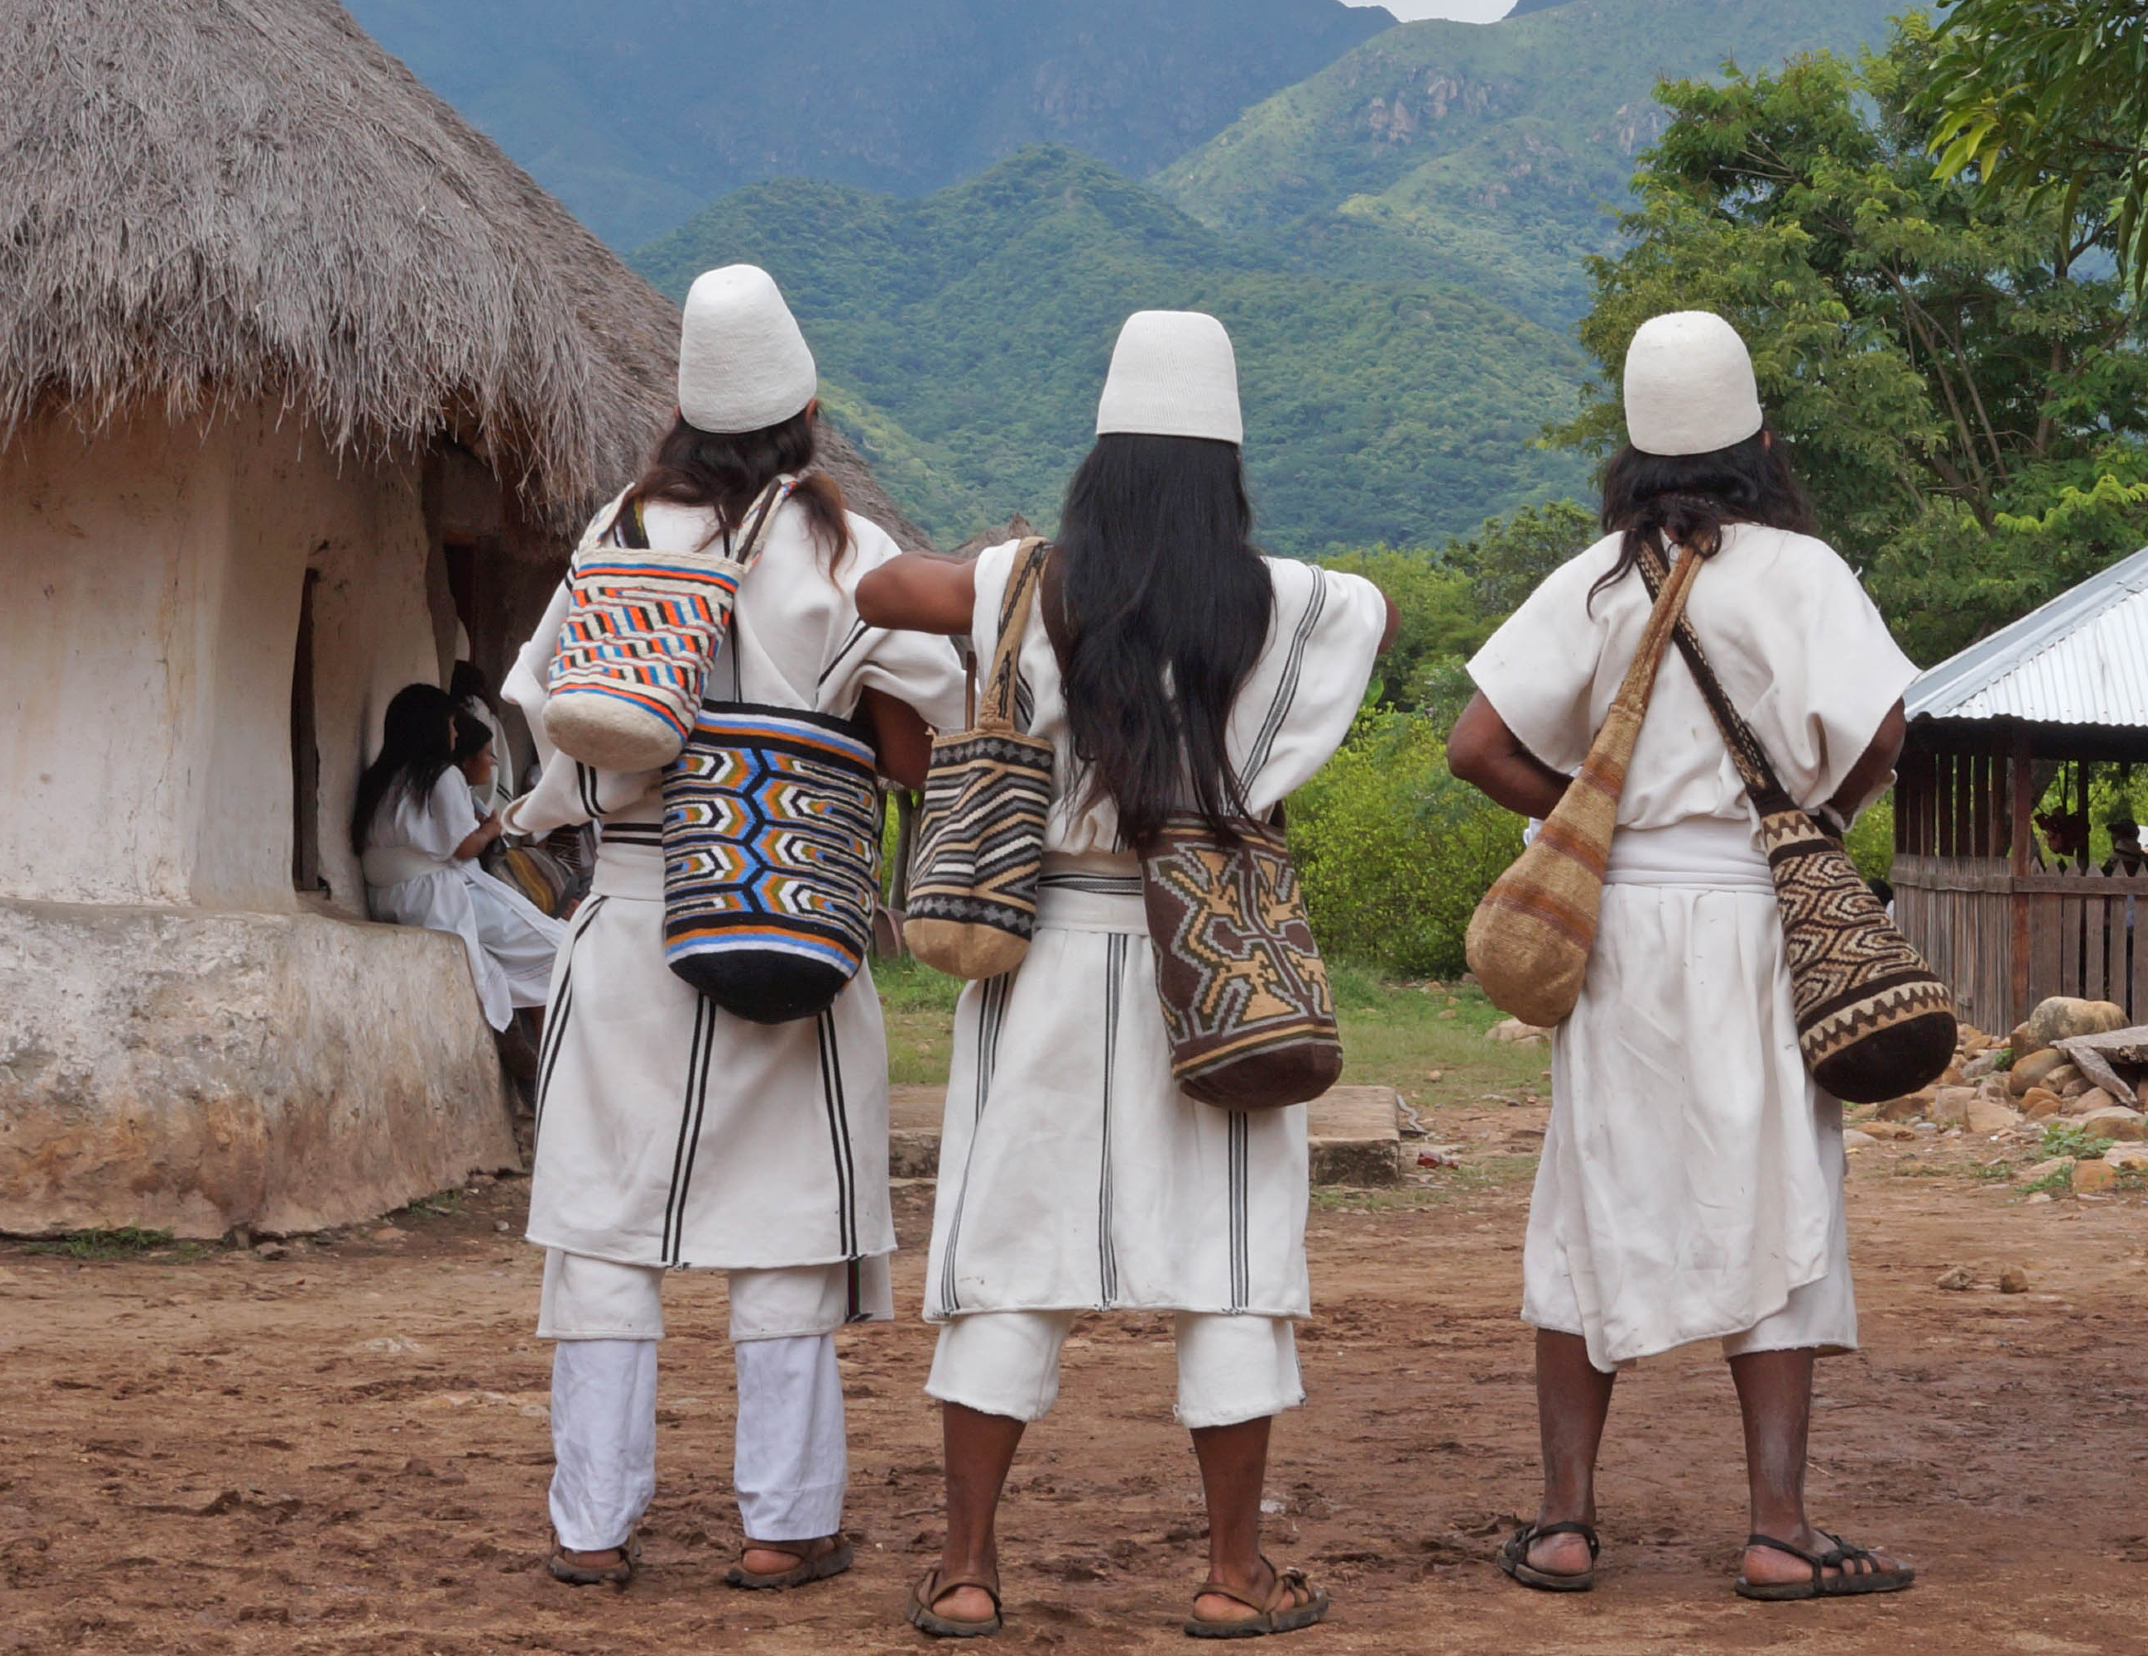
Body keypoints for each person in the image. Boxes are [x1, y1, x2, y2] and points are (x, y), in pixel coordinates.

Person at [855, 310, 1390, 1639]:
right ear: (1228, 473)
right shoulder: (1294, 604)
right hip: (1212, 959)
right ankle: (1231, 1576)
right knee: (1228, 1265)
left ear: (1099, 465)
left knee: (1011, 1258)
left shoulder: (1027, 585)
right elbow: (1370, 605)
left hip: (1044, 951)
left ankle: (970, 1571)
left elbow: (879, 596)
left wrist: (998, 562)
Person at [498, 265, 967, 1592]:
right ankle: (784, 1524)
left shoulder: (618, 533)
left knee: (603, 1229)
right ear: (807, 406)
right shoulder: (849, 549)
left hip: (636, 903)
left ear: (683, 409)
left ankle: (591, 1527)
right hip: (793, 914)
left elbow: (553, 710)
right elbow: (931, 740)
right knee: (784, 1225)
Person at [1446, 310, 1920, 1599]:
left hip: (1617, 930)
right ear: (1763, 443)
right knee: (1776, 1192)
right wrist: (1815, 825)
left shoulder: (1598, 579)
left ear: (1636, 457)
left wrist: (1585, 816)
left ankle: (1561, 1522)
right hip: (1759, 916)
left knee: (1592, 1195)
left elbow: (1475, 743)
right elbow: (1882, 732)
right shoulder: (1804, 576)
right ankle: (1777, 1529)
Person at [356, 683, 564, 1036]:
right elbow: (463, 849)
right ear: (431, 728)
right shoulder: (442, 775)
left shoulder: (383, 777)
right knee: (559, 945)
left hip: (390, 897)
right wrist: (491, 830)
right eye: (451, 724)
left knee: (504, 950)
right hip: (436, 896)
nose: (455, 733)